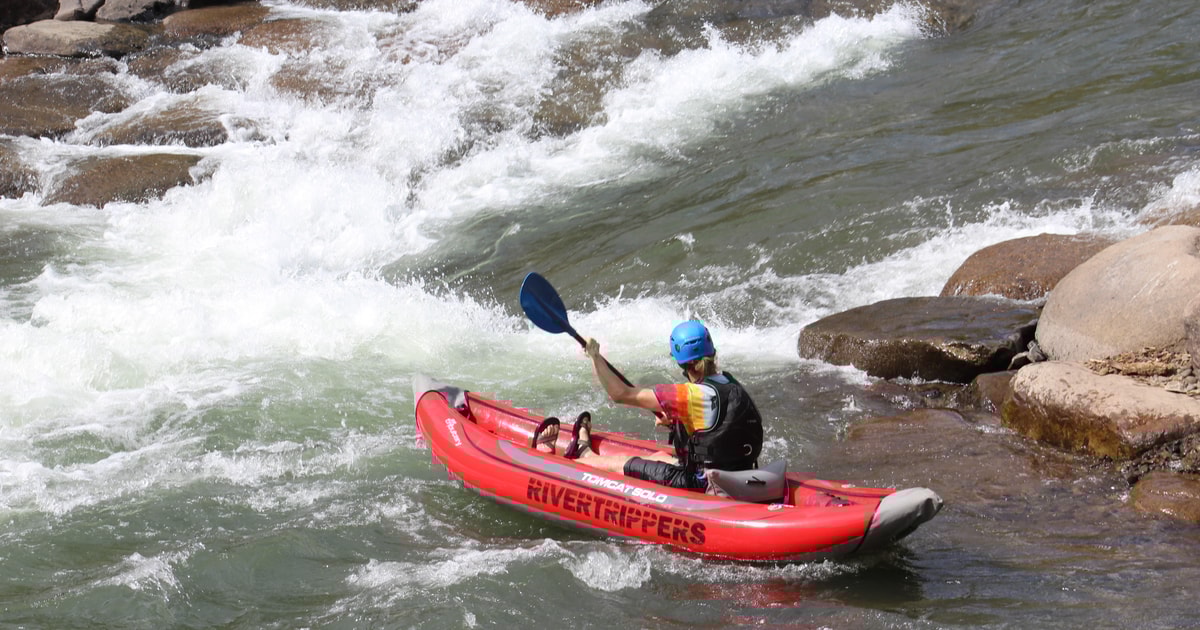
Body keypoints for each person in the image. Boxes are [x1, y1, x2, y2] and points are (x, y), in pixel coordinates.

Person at [567, 320, 764, 491]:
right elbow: (721, 426)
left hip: (701, 481)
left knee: (619, 463)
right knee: (659, 455)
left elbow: (621, 394)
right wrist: (675, 422)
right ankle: (586, 452)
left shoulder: (689, 394)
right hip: (738, 470)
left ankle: (578, 460)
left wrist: (595, 357)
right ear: (712, 352)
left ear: (681, 363)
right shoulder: (729, 382)